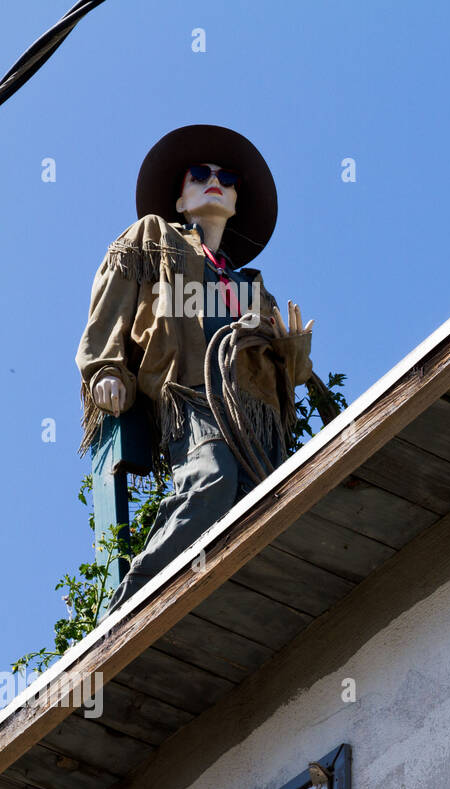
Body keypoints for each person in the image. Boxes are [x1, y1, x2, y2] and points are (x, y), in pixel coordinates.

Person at [77, 125, 315, 611]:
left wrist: (292, 352)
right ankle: (128, 607)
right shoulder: (154, 237)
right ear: (180, 200)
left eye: (227, 177)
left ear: (235, 199)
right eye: (200, 174)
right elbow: (112, 299)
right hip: (193, 397)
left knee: (266, 518)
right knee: (212, 481)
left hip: (254, 418)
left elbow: (287, 377)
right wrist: (105, 368)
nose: (216, 181)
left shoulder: (252, 287)